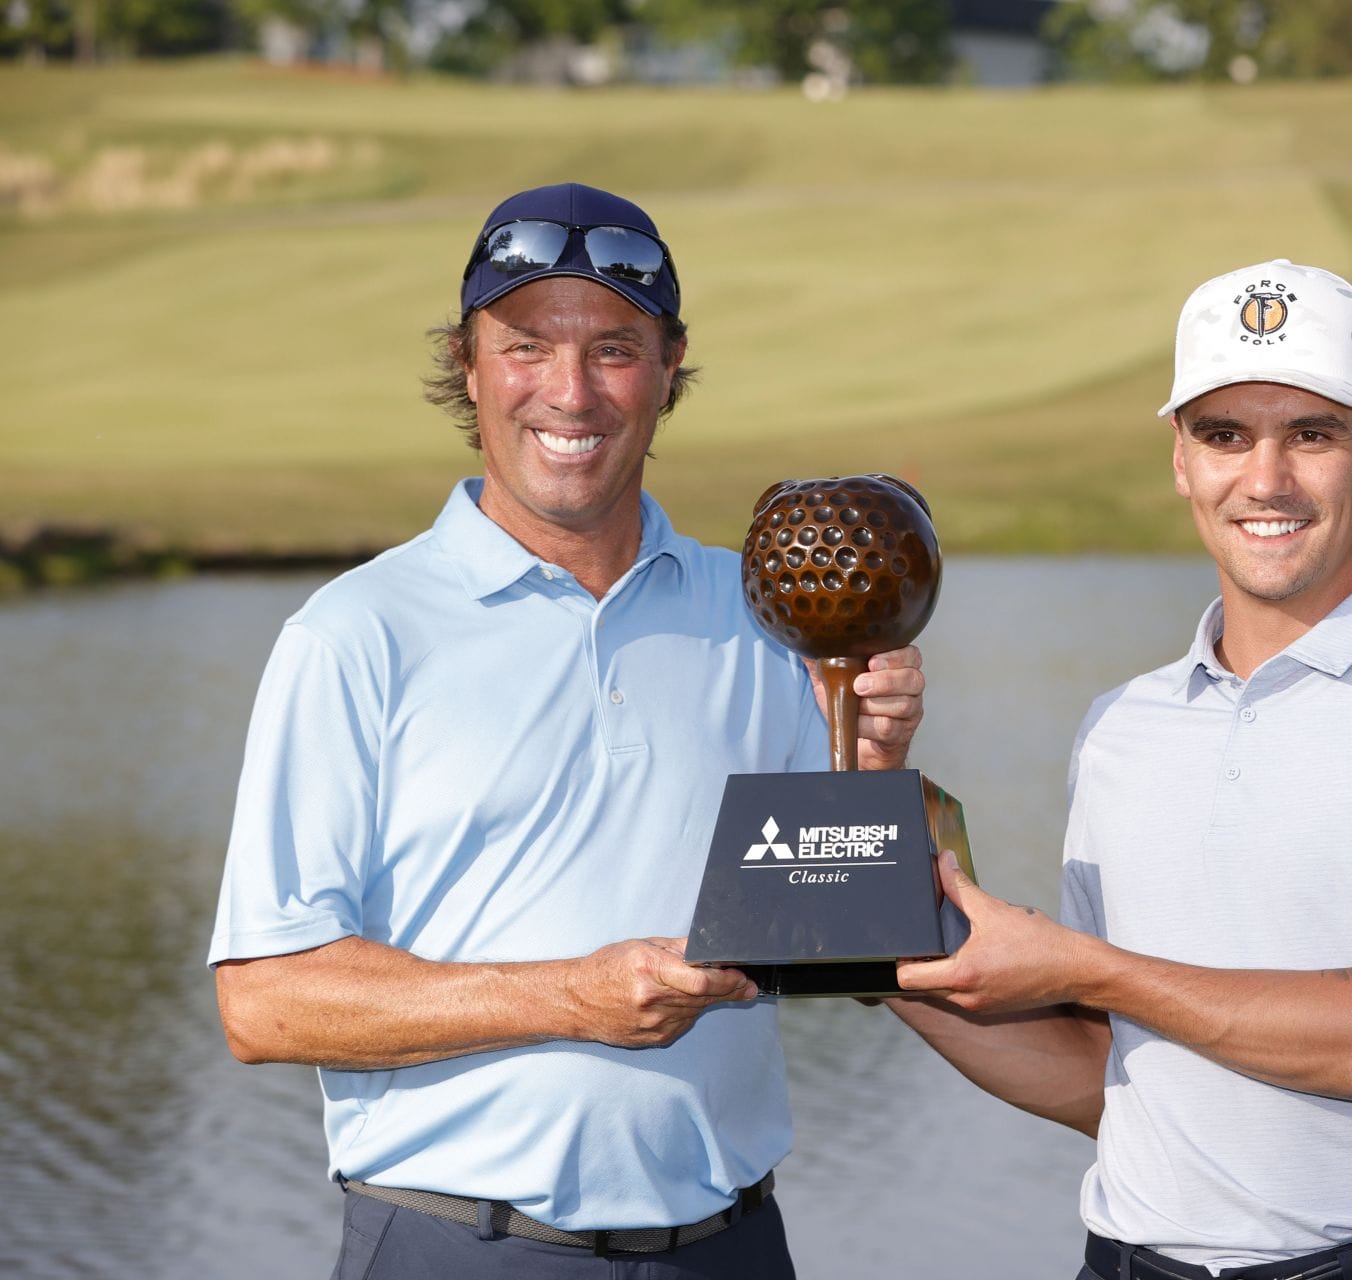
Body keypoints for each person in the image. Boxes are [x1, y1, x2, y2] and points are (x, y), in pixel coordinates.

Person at [208, 182, 926, 1279]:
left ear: (671, 364)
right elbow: (263, 999)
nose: (570, 391)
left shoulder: (766, 613)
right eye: (528, 345)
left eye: (615, 349)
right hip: (456, 1244)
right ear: (469, 364)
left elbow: (846, 948)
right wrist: (566, 996)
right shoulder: (355, 632)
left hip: (729, 1244)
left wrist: (873, 768)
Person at [892, 260, 1352, 1280]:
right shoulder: (1121, 723)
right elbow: (1112, 1075)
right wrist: (879, 940)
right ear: (1180, 459)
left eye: (1312, 433)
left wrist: (1081, 968)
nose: (1266, 480)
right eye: (1225, 436)